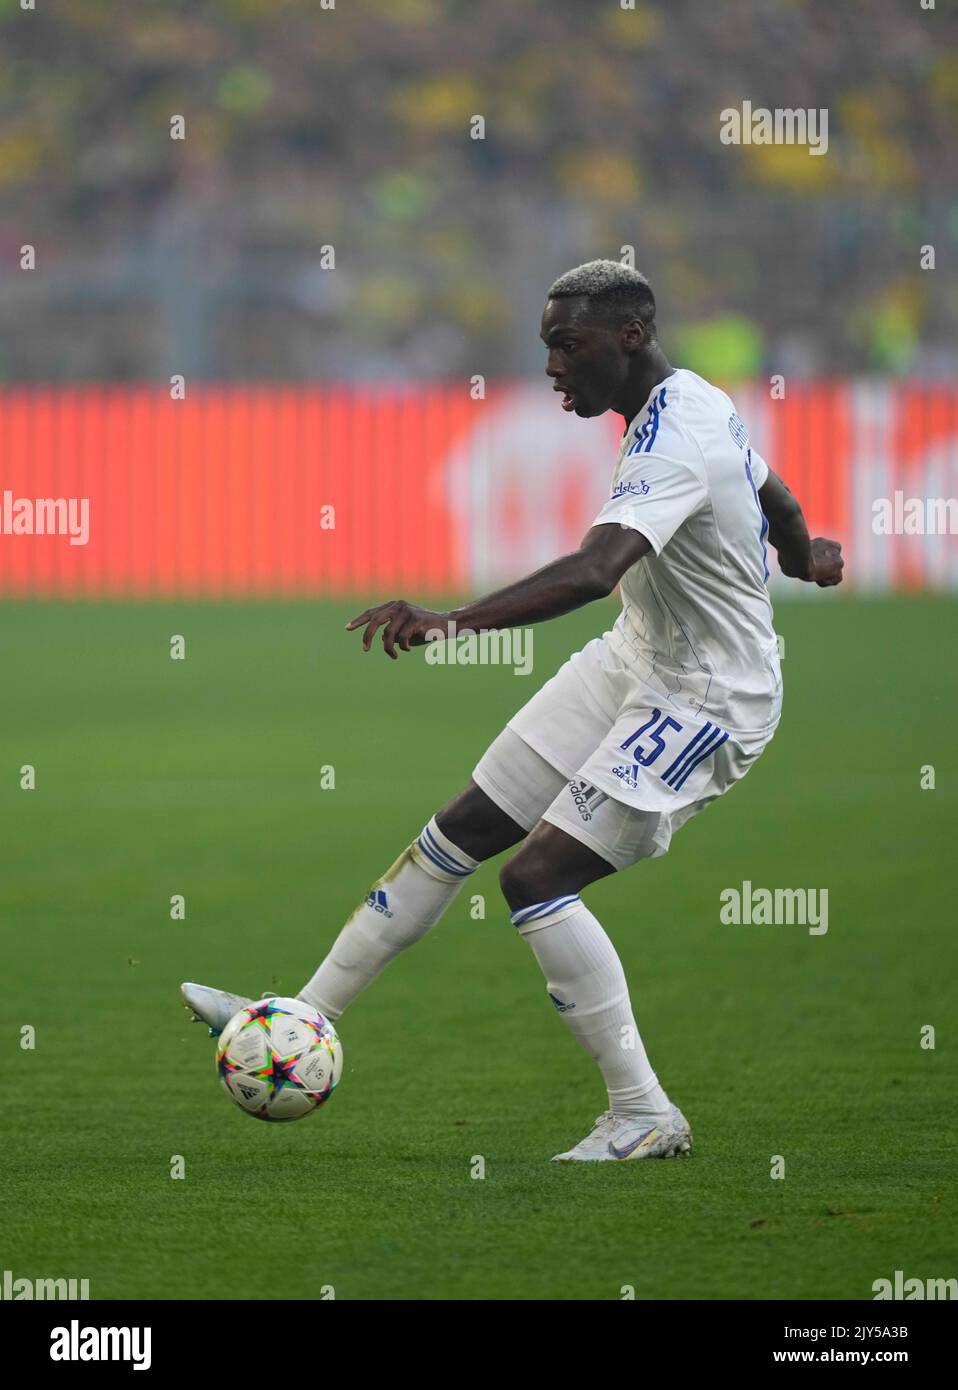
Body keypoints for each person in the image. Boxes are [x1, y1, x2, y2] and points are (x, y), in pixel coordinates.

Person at [183, 259, 844, 1161]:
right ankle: (304, 1016)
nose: (551, 368)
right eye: (546, 348)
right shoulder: (686, 399)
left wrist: (450, 620)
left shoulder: (673, 437)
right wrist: (805, 559)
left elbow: (591, 571)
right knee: (459, 829)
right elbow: (777, 494)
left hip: (707, 698)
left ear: (630, 336)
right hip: (635, 661)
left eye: (566, 347)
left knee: (535, 880)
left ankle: (643, 1112)